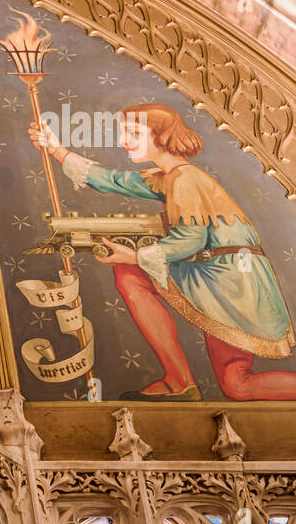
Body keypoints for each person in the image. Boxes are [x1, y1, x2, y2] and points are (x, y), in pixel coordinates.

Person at [29, 103, 296, 400]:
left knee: (130, 275)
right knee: (238, 385)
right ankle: (178, 381)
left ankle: (178, 381)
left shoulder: (184, 180)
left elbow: (190, 240)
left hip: (229, 284)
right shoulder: (171, 176)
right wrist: (56, 150)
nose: (123, 141)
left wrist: (132, 256)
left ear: (161, 136)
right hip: (227, 278)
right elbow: (115, 181)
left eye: (133, 132)